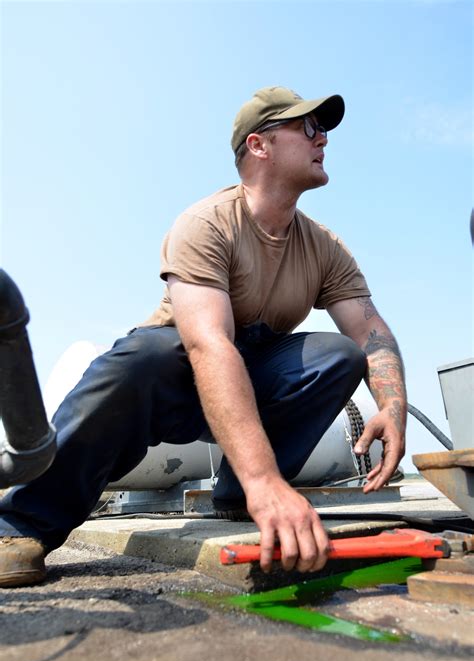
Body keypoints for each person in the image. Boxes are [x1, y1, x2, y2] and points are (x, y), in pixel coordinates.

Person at [0, 86, 407, 587]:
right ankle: (22, 524)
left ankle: (238, 495)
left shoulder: (323, 246)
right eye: (308, 127)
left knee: (339, 356)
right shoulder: (206, 222)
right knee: (140, 358)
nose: (323, 138)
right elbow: (208, 344)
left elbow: (369, 329)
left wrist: (392, 406)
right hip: (176, 375)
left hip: (252, 380)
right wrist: (267, 482)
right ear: (259, 145)